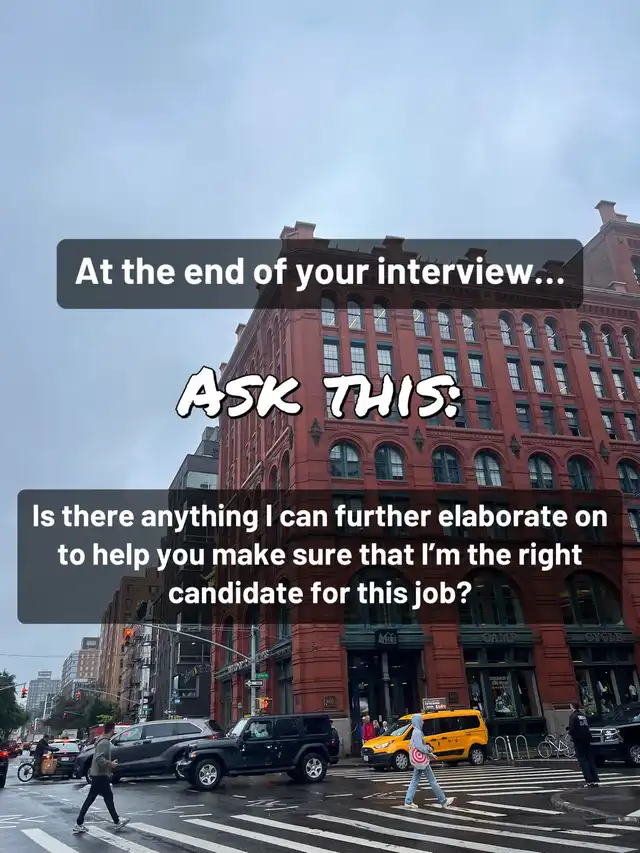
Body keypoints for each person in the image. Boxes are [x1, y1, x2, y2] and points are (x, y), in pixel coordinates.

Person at [73, 722, 130, 834]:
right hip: (100, 775)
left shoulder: (101, 740)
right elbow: (99, 759)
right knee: (99, 798)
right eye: (113, 730)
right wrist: (111, 764)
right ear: (112, 730)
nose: (114, 732)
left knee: (103, 798)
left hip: (98, 774)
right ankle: (79, 823)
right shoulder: (104, 742)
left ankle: (116, 821)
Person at [404, 714, 454, 809]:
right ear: (418, 721)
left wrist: (431, 754)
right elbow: (419, 747)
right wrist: (429, 749)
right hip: (422, 761)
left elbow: (418, 746)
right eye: (421, 720)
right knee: (432, 781)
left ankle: (408, 801)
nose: (423, 722)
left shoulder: (415, 731)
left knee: (415, 781)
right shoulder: (418, 732)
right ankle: (443, 800)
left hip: (418, 760)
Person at [568, 701, 599, 787]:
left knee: (583, 761)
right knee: (590, 759)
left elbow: (572, 729)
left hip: (579, 740)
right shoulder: (583, 715)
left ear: (572, 707)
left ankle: (589, 780)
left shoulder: (573, 716)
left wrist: (571, 734)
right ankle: (594, 779)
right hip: (587, 739)